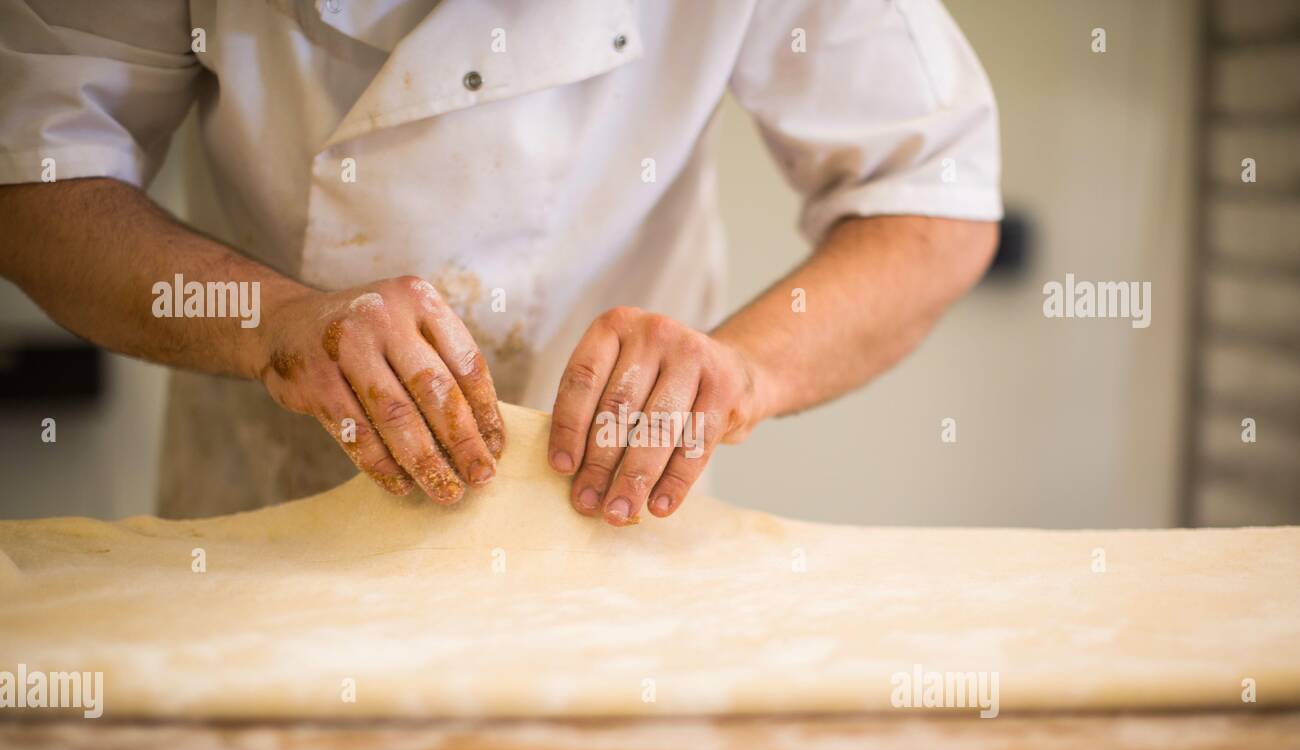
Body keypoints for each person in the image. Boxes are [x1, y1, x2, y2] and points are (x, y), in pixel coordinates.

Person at [0, 0, 1001, 524]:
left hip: (618, 522)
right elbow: (34, 174)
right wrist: (273, 323)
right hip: (270, 503)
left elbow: (934, 196)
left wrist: (746, 367)